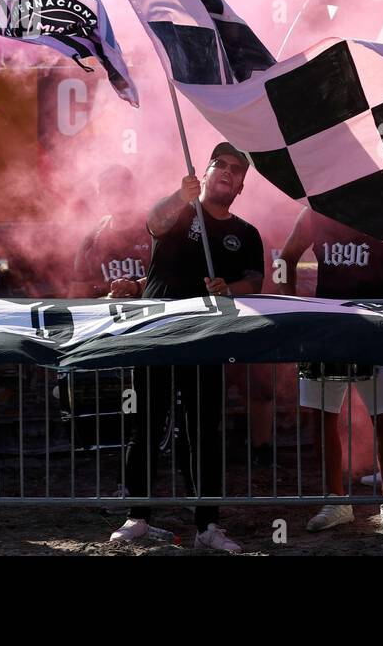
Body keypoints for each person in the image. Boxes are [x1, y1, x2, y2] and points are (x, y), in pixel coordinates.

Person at [110, 143, 264, 552]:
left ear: (242, 186)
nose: (227, 172)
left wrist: (229, 288)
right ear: (207, 170)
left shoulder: (246, 234)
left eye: (236, 169)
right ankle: (138, 516)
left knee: (203, 432)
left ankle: (208, 525)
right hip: (157, 332)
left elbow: (256, 281)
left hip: (205, 338)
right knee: (145, 425)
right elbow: (153, 225)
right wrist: (181, 195)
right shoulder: (179, 211)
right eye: (221, 165)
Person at [280, 208, 383, 536]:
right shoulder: (315, 212)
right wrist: (290, 308)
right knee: (323, 417)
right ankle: (336, 501)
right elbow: (286, 257)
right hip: (327, 329)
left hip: (376, 327)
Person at [72, 163, 151, 299]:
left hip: (152, 316)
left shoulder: (155, 228)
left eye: (123, 188)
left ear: (134, 191)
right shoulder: (92, 239)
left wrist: (135, 287)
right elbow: (78, 295)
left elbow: (171, 278)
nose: (118, 195)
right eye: (110, 190)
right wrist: (105, 301)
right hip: (110, 317)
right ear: (101, 197)